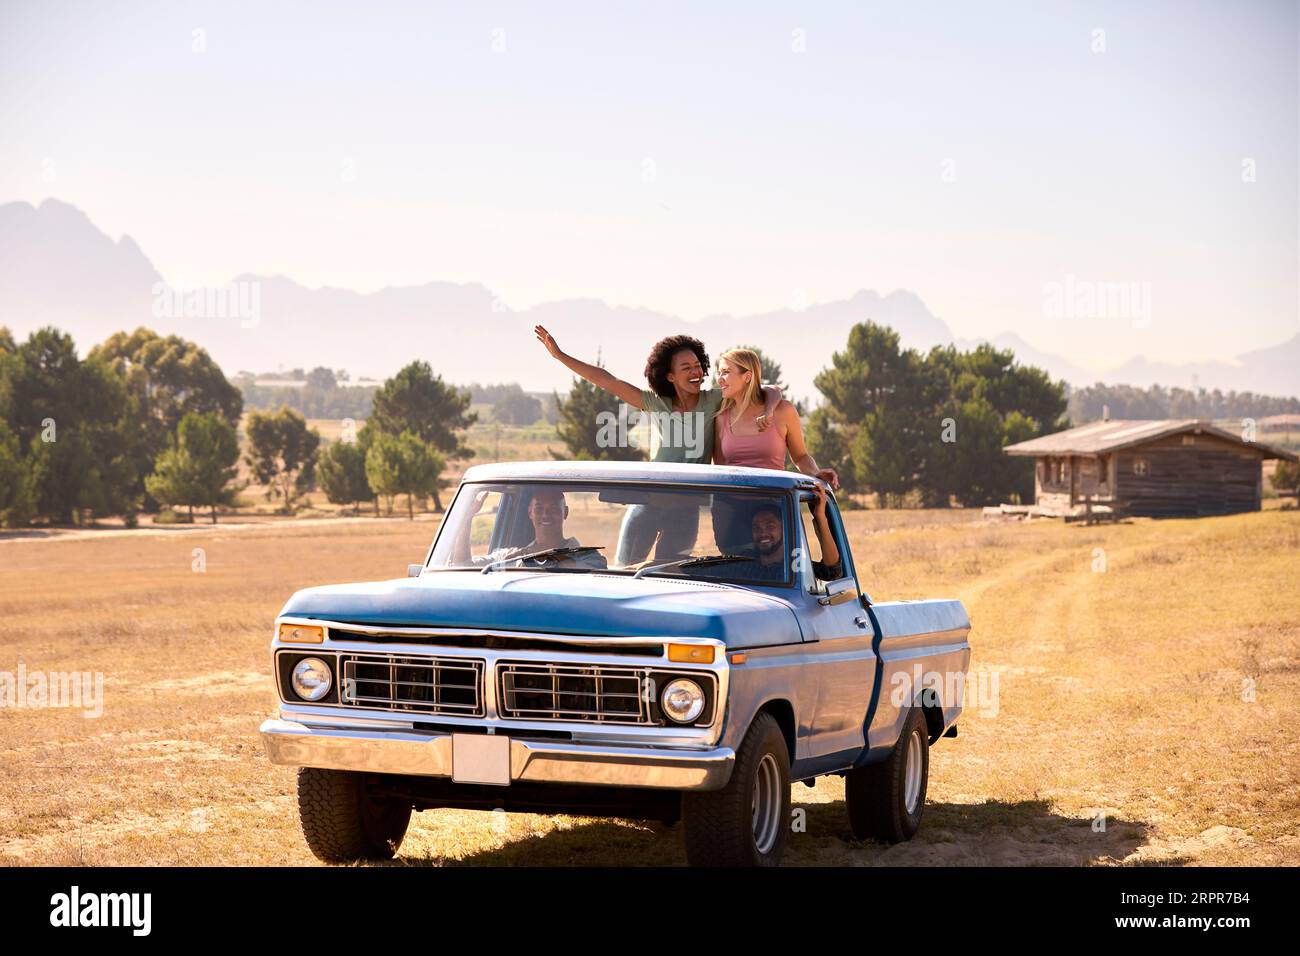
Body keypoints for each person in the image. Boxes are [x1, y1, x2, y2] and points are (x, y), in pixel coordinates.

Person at [534, 326, 783, 564]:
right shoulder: (656, 403)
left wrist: (770, 410)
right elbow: (607, 381)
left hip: (686, 512)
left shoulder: (714, 400)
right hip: (648, 505)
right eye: (686, 367)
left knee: (668, 572)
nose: (695, 371)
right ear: (670, 375)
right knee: (625, 568)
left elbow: (770, 390)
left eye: (698, 366)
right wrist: (559, 355)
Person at [711, 347, 839, 551]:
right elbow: (720, 467)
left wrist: (815, 474)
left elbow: (801, 455)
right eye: (719, 372)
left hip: (774, 509)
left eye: (725, 372)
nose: (720, 379)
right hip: (732, 512)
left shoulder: (783, 411)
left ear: (747, 376)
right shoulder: (721, 417)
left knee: (777, 572)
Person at [448, 486, 608, 570]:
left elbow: (592, 573)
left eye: (553, 508)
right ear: (530, 513)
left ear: (565, 513)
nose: (545, 515)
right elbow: (462, 566)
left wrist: (535, 556)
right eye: (539, 509)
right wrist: (467, 517)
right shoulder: (509, 556)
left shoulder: (589, 557)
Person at [746, 485, 843, 584]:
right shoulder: (741, 563)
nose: (762, 533)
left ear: (784, 528)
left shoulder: (797, 567)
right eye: (756, 528)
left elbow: (832, 571)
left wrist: (820, 516)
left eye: (770, 526)